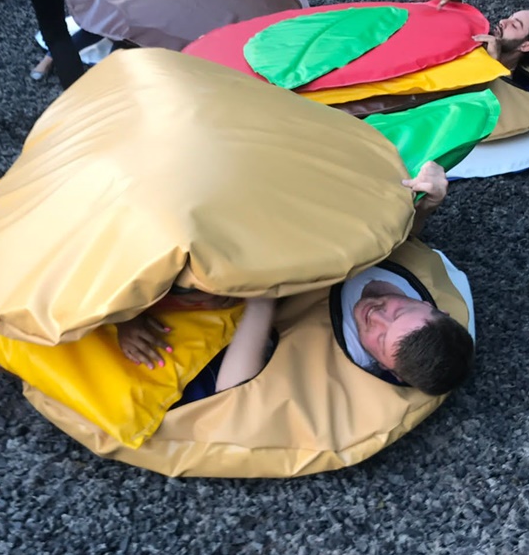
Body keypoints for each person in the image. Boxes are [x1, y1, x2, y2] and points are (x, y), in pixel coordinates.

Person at [116, 161, 475, 400]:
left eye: (379, 336)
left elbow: (234, 390)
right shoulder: (416, 276)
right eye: (397, 312)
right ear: (428, 305)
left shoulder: (339, 343)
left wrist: (264, 294)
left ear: (380, 364)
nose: (375, 314)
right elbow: (398, 243)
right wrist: (426, 204)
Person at [410, 0, 529, 89]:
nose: (503, 21)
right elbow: (461, 27)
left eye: (515, 25)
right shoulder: (484, 40)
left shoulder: (510, 85)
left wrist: (490, 65)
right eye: (510, 17)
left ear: (526, 45)